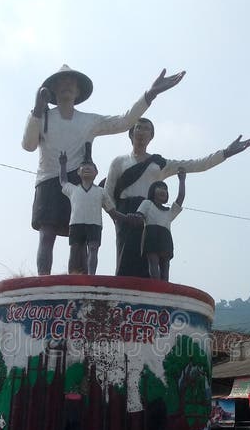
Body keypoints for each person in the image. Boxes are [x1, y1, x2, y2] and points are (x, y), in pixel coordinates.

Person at [21, 64, 185, 275]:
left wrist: (150, 94)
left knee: (80, 238)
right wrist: (37, 109)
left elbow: (124, 121)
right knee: (47, 234)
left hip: (79, 182)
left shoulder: (88, 121)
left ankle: (79, 279)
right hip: (48, 179)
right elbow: (28, 145)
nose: (66, 87)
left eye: (71, 83)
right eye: (61, 83)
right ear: (53, 89)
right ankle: (43, 280)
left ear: (78, 91)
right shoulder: (41, 116)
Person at [104, 118, 250, 277]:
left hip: (150, 213)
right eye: (138, 128)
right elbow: (107, 193)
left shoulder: (159, 163)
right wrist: (116, 216)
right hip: (126, 213)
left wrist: (225, 153)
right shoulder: (119, 161)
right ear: (131, 133)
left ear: (152, 136)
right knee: (126, 256)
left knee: (150, 256)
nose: (141, 132)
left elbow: (196, 164)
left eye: (146, 129)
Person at [59, 145, 124, 275]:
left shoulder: (101, 191)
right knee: (75, 248)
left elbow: (112, 211)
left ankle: (91, 275)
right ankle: (72, 274)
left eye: (91, 167)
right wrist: (63, 165)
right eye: (84, 167)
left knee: (93, 248)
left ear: (96, 173)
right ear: (79, 172)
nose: (87, 169)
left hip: (94, 224)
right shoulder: (73, 189)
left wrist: (126, 218)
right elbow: (63, 181)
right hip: (76, 224)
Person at [127, 171, 186, 281]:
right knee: (153, 262)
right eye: (159, 187)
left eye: (165, 189)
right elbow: (139, 215)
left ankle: (164, 285)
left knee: (165, 265)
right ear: (152, 191)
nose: (163, 190)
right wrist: (134, 217)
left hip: (165, 237)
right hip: (151, 234)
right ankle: (156, 284)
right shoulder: (147, 203)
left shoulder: (169, 212)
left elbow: (180, 198)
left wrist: (182, 180)